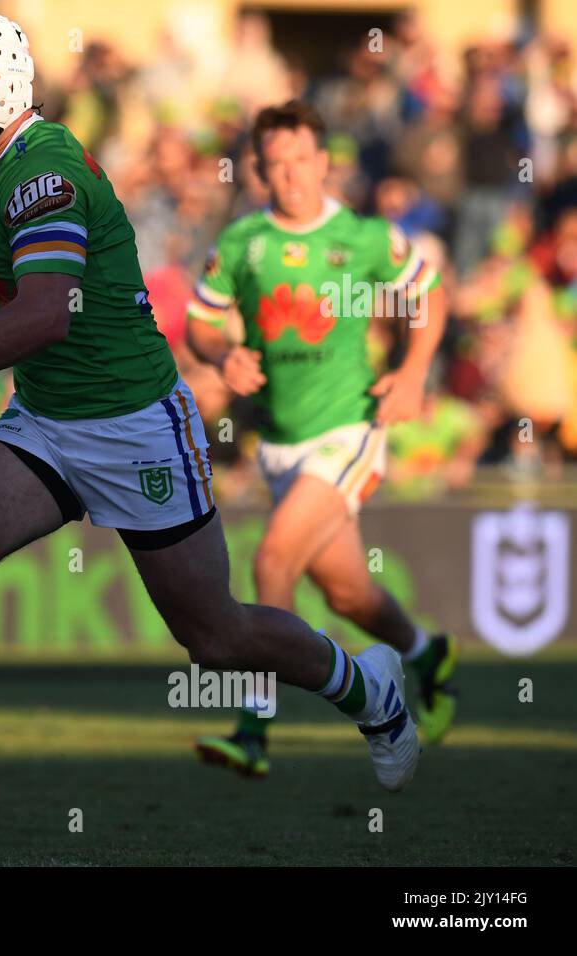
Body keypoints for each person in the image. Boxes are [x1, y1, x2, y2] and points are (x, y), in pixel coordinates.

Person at [0, 13, 421, 848]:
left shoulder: (48, 168)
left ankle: (370, 690)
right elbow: (3, 318)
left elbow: (45, 314)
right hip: (43, 419)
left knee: (216, 639)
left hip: (133, 421)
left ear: (7, 85)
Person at [186, 100, 458, 778]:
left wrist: (413, 372)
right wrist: (222, 356)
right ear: (258, 171)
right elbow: (201, 321)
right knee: (347, 595)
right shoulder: (244, 243)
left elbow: (431, 294)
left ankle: (254, 727)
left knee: (273, 561)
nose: (291, 175)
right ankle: (426, 655)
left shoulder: (366, 238)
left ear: (324, 162)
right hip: (280, 443)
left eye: (302, 159)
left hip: (349, 430)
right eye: (275, 164)